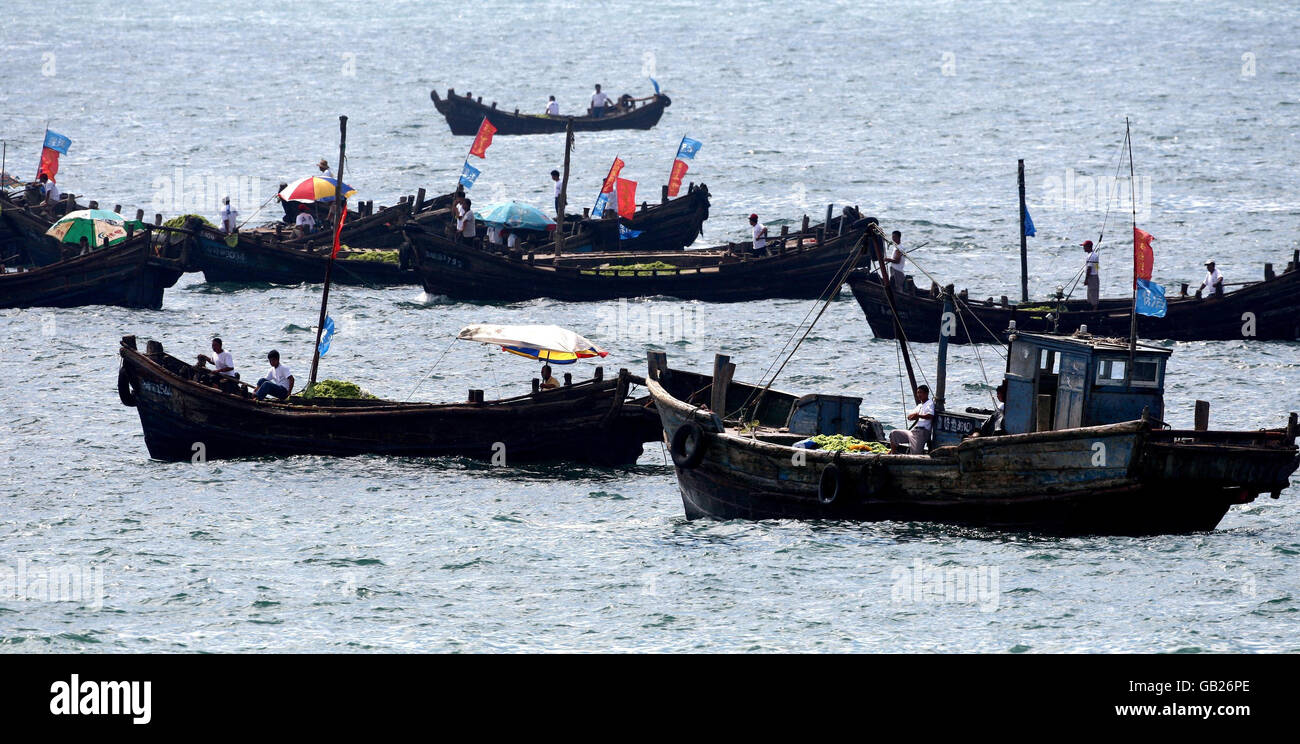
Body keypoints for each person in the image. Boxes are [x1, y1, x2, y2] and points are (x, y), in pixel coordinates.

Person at [888, 385, 934, 454]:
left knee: (915, 454)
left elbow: (930, 416)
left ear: (926, 393)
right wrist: (913, 416)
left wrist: (918, 415)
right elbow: (909, 416)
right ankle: (893, 454)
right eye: (917, 393)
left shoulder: (930, 403)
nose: (918, 395)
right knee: (894, 434)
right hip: (913, 432)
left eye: (920, 392)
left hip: (922, 432)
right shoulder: (920, 405)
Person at [1082, 240, 1100, 308]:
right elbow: (1097, 267)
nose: (1083, 248)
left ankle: (1094, 310)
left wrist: (1086, 279)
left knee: (1093, 295)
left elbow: (1089, 268)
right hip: (1095, 276)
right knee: (1092, 293)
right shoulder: (1095, 255)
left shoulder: (1090, 256)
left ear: (1088, 247)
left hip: (1092, 277)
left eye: (1084, 246)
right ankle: (1093, 308)